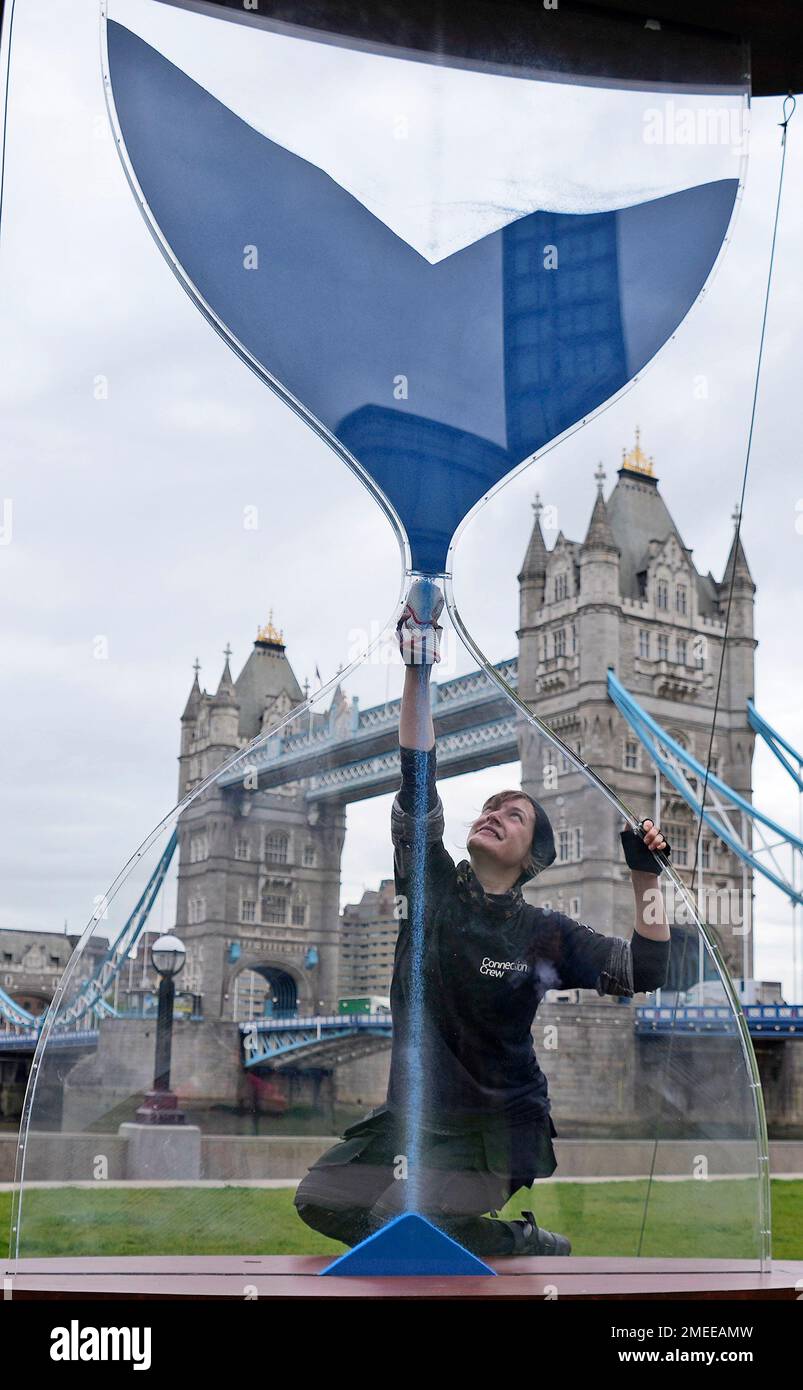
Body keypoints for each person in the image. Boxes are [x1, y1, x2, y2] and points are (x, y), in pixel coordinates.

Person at [294, 580, 671, 1258]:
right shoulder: (431, 888)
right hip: (417, 1119)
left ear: (531, 857)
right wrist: (417, 666)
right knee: (320, 1204)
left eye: (514, 813)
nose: (494, 812)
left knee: (394, 1228)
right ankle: (509, 1240)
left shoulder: (545, 932)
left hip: (496, 1127)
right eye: (490, 805)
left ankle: (451, 1240)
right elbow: (417, 775)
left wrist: (646, 876)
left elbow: (642, 970)